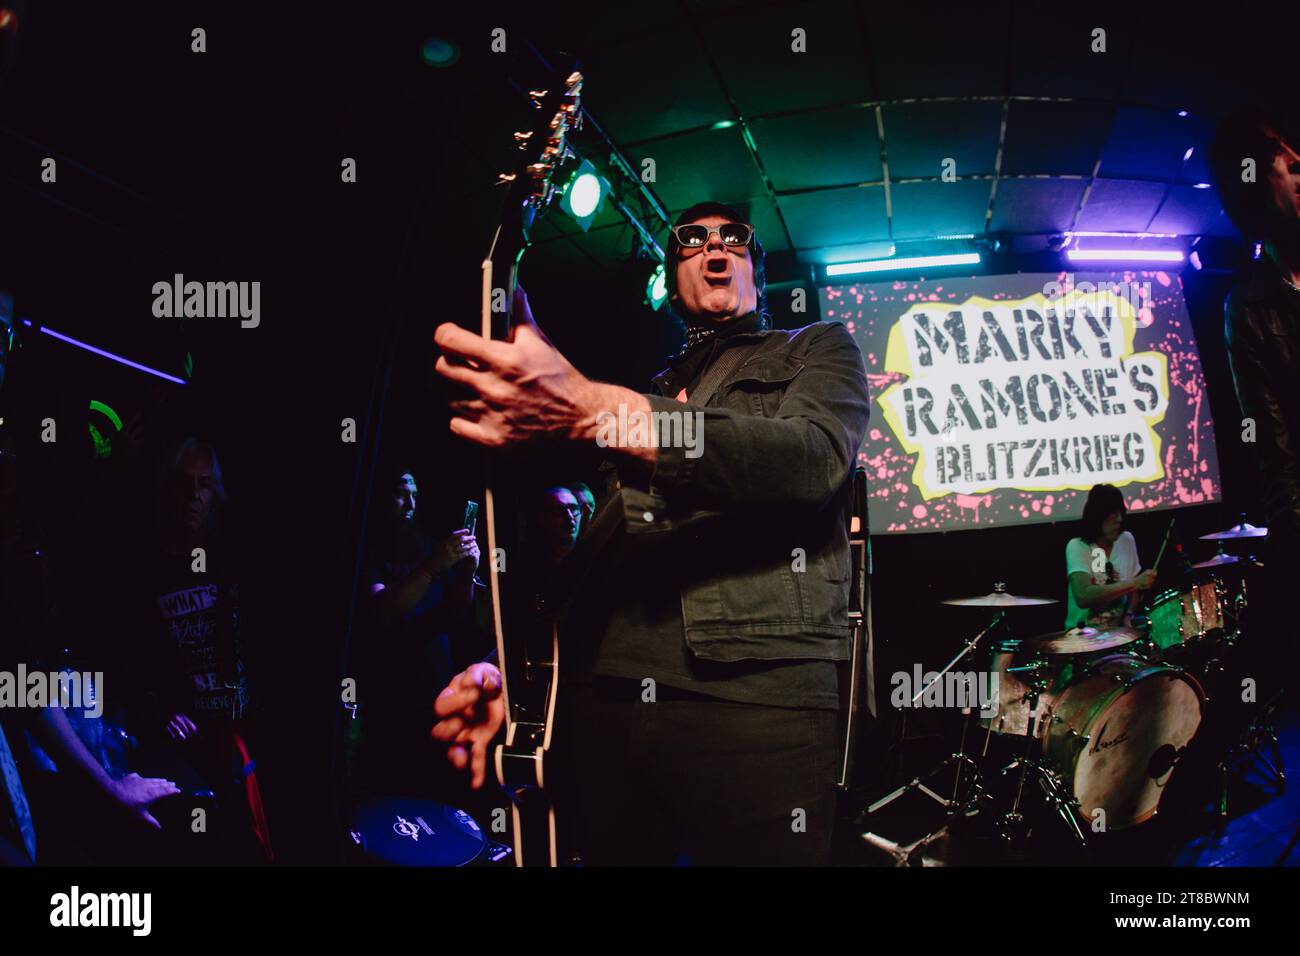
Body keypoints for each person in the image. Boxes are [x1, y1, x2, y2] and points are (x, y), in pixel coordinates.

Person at [432, 200, 871, 865]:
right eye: (692, 242)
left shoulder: (816, 347)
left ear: (755, 264)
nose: (715, 249)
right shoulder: (655, 386)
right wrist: (529, 691)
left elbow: (808, 460)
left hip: (755, 697)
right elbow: (602, 559)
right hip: (601, 701)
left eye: (734, 239)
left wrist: (601, 412)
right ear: (670, 279)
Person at [353, 470, 483, 795]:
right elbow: (383, 613)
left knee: (434, 788)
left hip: (435, 688)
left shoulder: (428, 545)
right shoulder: (368, 549)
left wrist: (467, 574)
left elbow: (456, 614)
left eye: (414, 494)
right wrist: (431, 568)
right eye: (401, 493)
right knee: (390, 789)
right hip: (388, 692)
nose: (410, 503)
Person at [1064, 484, 1156, 629]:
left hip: (1117, 636)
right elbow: (1083, 596)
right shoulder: (1078, 546)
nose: (1119, 519)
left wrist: (1128, 615)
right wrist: (1134, 582)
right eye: (1113, 513)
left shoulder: (1126, 540)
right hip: (1082, 638)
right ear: (1097, 516)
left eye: (1121, 513)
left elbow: (1133, 593)